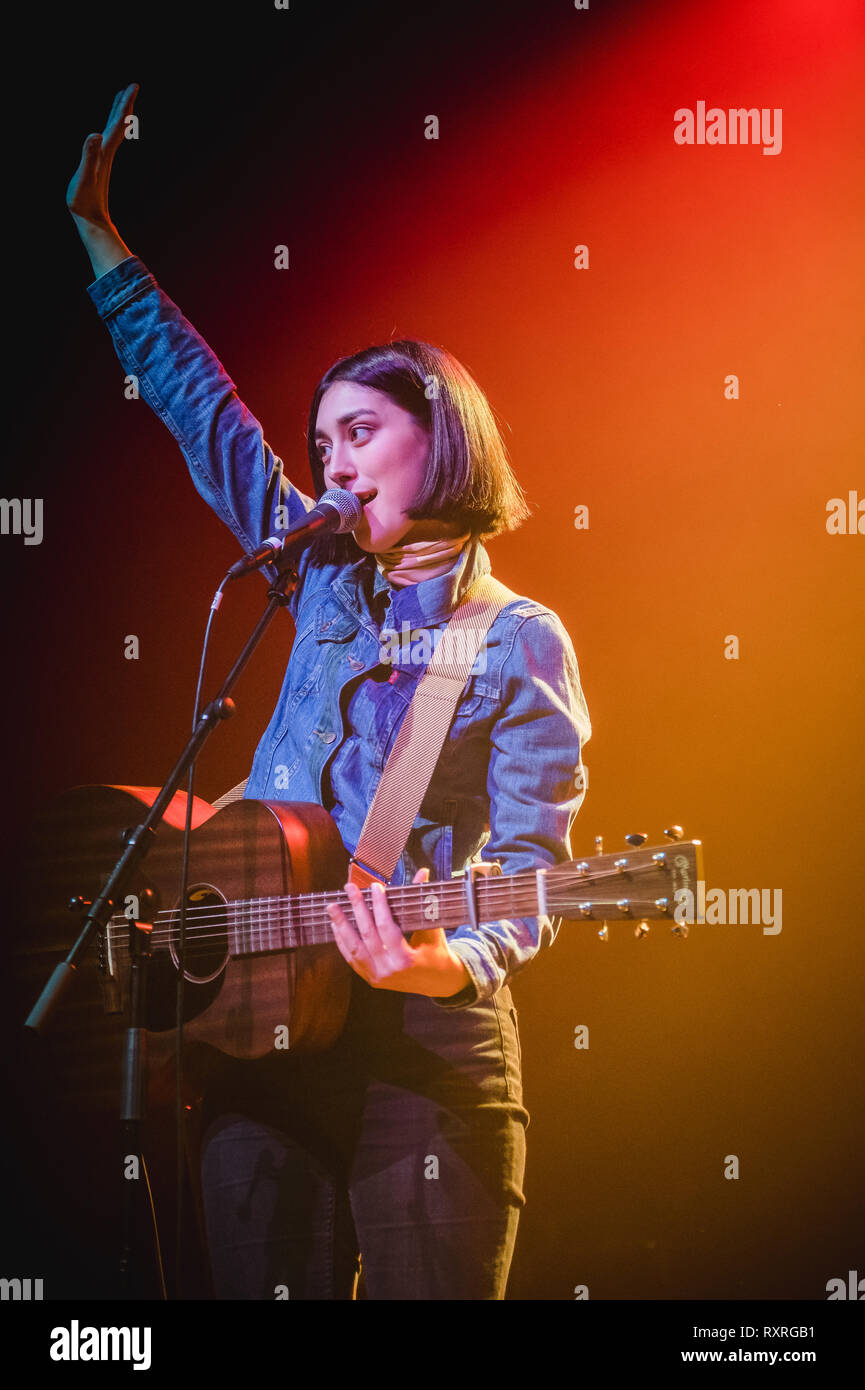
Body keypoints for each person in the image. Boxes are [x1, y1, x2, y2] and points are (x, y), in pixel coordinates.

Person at [68, 85, 591, 1300]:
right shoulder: (314, 579)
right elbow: (203, 414)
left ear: (439, 434)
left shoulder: (513, 639)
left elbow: (530, 864)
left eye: (358, 431)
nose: (333, 464)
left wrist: (440, 960)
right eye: (321, 448)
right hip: (259, 1043)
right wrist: (100, 237)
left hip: (424, 1055)